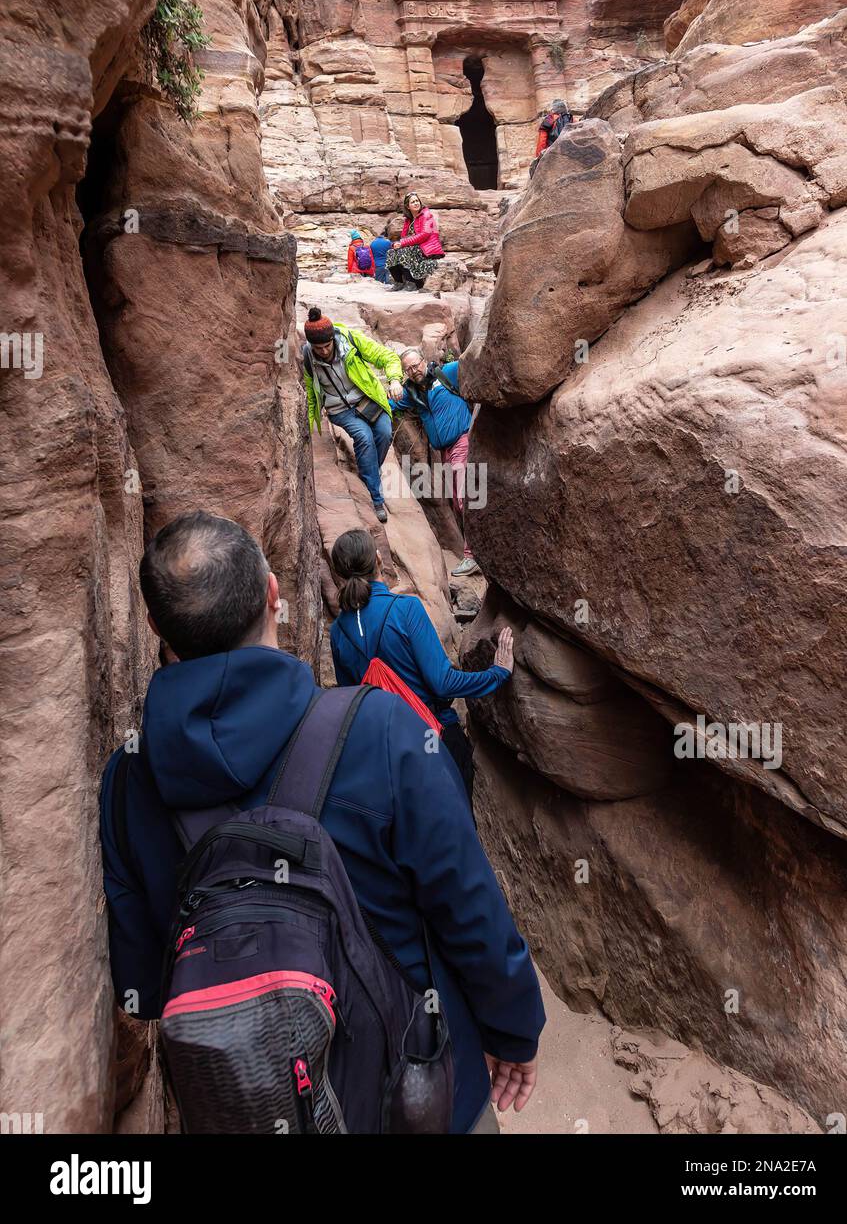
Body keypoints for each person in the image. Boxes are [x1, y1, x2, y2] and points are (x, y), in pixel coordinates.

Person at [100, 511, 544, 1135]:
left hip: (254, 1101)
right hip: (418, 1087)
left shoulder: (129, 780)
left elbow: (144, 983)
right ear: (273, 595)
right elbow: (468, 905)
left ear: (155, 626)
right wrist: (513, 1027)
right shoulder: (380, 731)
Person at [329, 527, 513, 804]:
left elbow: (351, 701)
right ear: (378, 558)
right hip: (433, 739)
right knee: (456, 822)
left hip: (384, 753)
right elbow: (443, 683)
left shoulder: (337, 632)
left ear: (339, 573)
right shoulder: (405, 609)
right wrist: (497, 674)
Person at [302, 307, 403, 524]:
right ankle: (375, 498)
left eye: (327, 345)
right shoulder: (308, 356)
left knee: (384, 433)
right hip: (340, 410)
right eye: (318, 348)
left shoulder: (350, 340)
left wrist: (394, 379)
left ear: (332, 338)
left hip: (367, 399)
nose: (324, 351)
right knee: (364, 437)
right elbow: (311, 393)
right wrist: (312, 423)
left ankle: (370, 471)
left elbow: (386, 356)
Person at [391, 347, 479, 578]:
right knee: (457, 502)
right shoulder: (411, 392)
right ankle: (476, 553)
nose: (414, 371)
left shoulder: (446, 372)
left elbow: (475, 364)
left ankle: (472, 556)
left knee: (465, 498)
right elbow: (388, 404)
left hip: (462, 441)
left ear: (424, 361)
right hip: (444, 452)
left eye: (416, 365)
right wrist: (392, 384)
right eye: (408, 369)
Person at [385, 192, 444, 292]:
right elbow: (404, 237)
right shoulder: (408, 220)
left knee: (405, 252)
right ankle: (398, 282)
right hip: (414, 246)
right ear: (408, 206)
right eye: (413, 202)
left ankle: (412, 282)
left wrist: (403, 244)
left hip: (426, 248)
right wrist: (397, 244)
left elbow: (425, 235)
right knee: (391, 252)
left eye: (417, 201)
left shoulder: (427, 215)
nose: (416, 203)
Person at [530, 98, 573, 176]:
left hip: (552, 152)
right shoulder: (570, 118)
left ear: (554, 108)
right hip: (568, 153)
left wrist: (539, 156)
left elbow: (542, 140)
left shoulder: (550, 119)